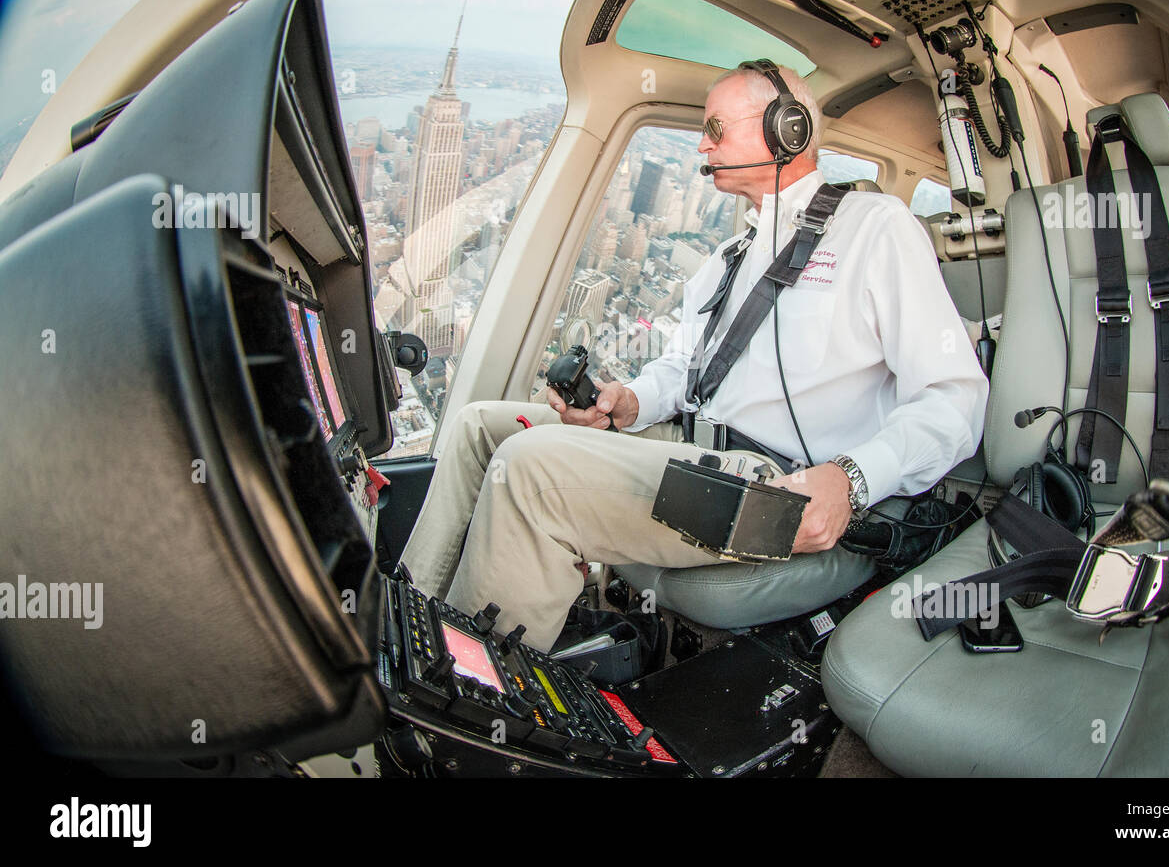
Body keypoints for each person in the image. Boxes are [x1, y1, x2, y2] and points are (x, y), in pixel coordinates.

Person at [399, 61, 989, 651]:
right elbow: (684, 369)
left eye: (716, 128)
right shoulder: (728, 256)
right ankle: (415, 627)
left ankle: (468, 691)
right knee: (480, 428)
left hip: (775, 486)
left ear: (788, 130)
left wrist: (851, 478)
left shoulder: (875, 229)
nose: (702, 146)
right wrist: (629, 401)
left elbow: (955, 399)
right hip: (689, 448)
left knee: (530, 468)